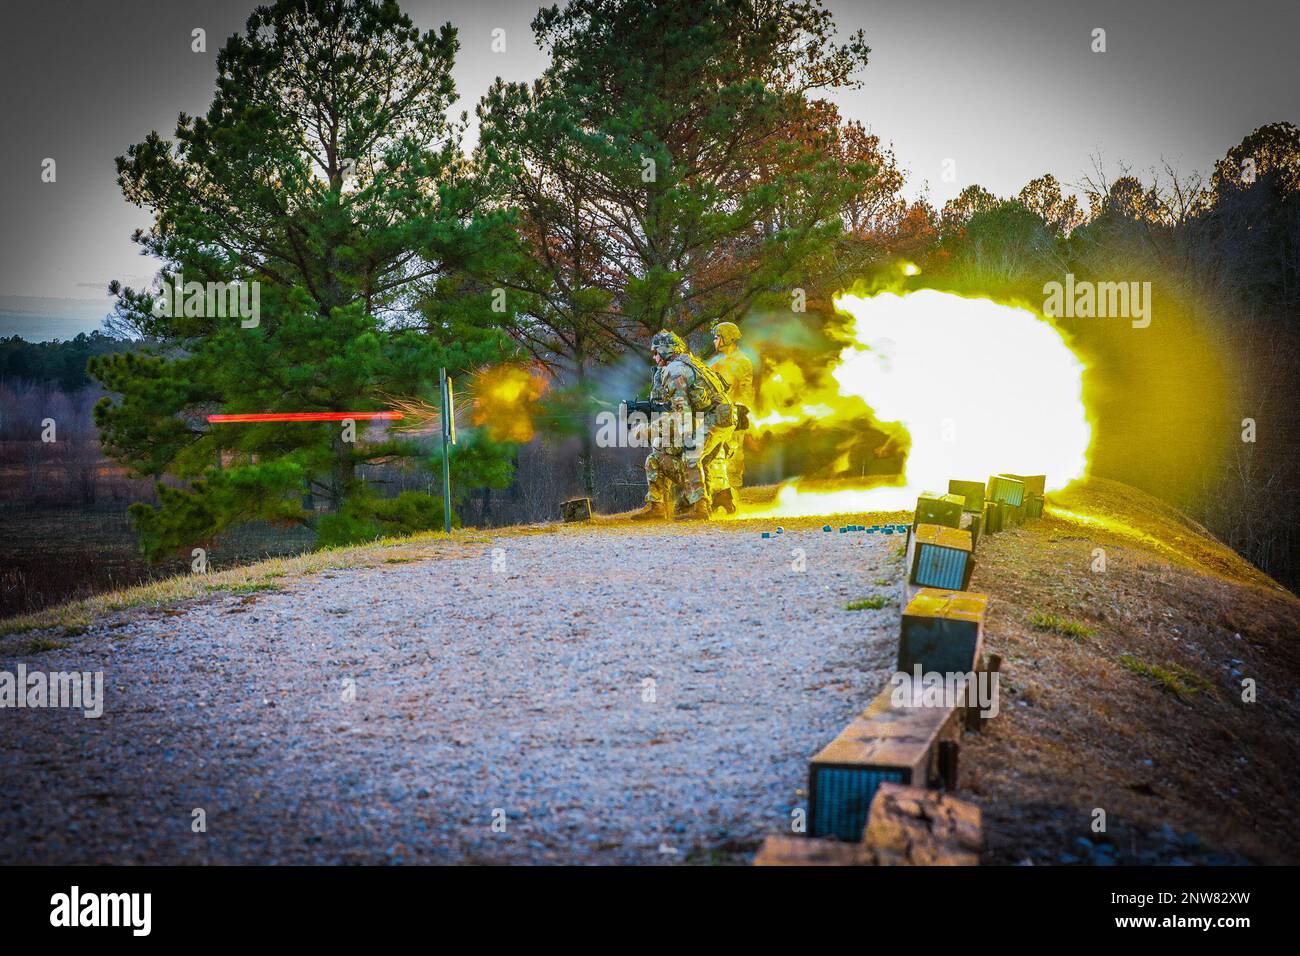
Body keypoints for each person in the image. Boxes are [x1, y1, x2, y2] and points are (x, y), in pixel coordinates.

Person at [630, 330, 736, 521]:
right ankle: (658, 508)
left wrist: (648, 429)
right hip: (717, 416)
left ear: (665, 351)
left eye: (655, 352)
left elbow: (682, 419)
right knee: (661, 457)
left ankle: (700, 507)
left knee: (691, 453)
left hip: (716, 417)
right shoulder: (688, 362)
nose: (654, 357)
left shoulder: (675, 371)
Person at [708, 321, 754, 490]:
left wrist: (740, 412)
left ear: (727, 338)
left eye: (717, 337)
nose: (714, 341)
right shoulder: (719, 362)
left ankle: (733, 495)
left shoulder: (742, 362)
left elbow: (745, 391)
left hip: (733, 417)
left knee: (733, 458)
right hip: (718, 416)